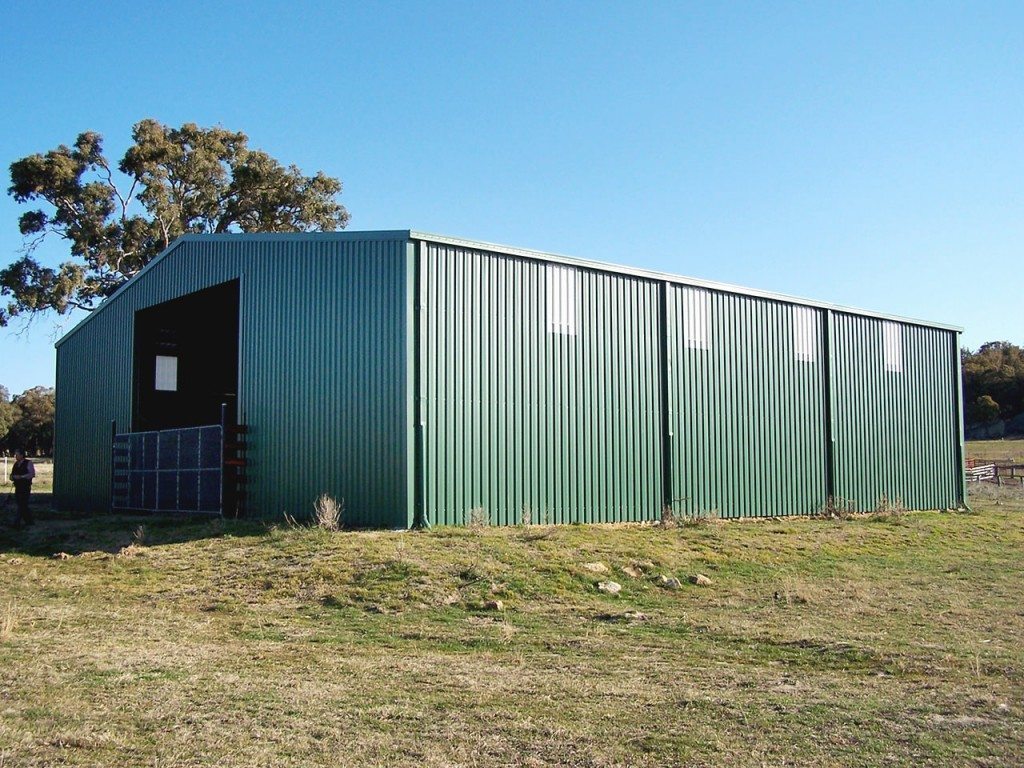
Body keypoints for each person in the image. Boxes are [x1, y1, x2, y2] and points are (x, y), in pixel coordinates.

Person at [10, 449, 35, 527]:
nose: (15, 456)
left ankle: (16, 523)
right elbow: (12, 474)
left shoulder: (28, 463)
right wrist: (12, 477)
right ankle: (29, 521)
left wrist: (21, 477)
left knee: (22, 504)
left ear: (21, 455)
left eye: (17, 455)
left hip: (25, 487)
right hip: (17, 487)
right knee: (22, 505)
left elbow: (31, 474)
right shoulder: (16, 464)